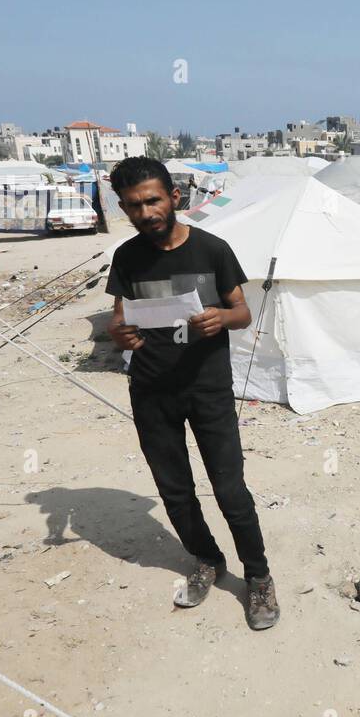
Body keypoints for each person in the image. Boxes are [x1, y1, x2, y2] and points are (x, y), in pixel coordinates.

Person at [105, 156, 280, 631]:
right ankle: (206, 559)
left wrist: (221, 319)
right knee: (176, 491)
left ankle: (259, 577)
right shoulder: (126, 256)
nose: (145, 213)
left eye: (153, 201)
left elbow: (242, 312)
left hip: (207, 389)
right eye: (133, 206)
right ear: (124, 209)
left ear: (174, 198)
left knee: (230, 489)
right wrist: (120, 334)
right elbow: (119, 317)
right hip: (151, 390)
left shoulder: (212, 249)